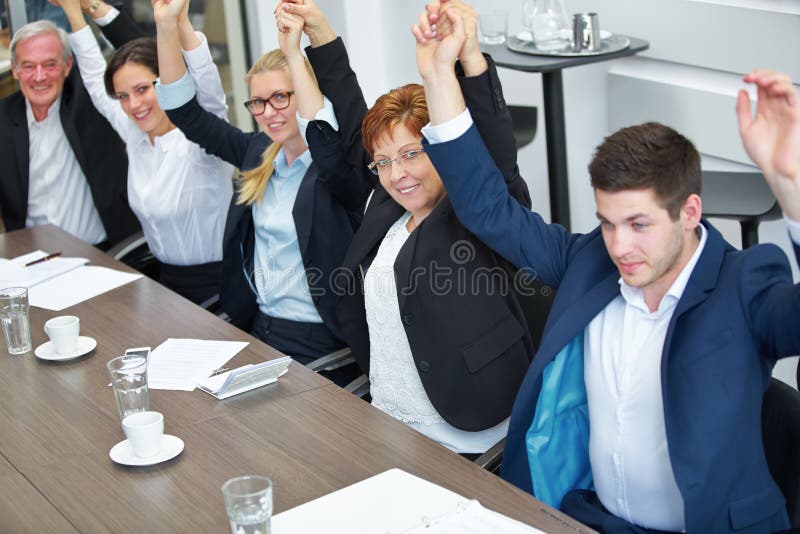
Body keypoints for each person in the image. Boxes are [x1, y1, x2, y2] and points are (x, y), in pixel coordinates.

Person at [415, 6, 800, 532]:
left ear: (689, 212)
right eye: (608, 222)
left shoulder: (744, 285)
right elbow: (488, 210)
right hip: (591, 518)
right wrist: (439, 73)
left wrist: (794, 190)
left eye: (639, 224)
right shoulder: (590, 259)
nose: (620, 245)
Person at [282, 0, 538, 455]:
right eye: (383, 161)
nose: (396, 173)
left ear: (442, 147)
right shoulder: (384, 205)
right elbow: (345, 120)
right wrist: (315, 37)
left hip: (468, 431)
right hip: (389, 423)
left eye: (411, 153)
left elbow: (494, 144)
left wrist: (469, 57)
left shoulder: (479, 209)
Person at [154, 3, 368, 377]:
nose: (269, 112)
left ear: (304, 90)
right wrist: (166, 26)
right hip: (259, 327)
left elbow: (345, 115)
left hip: (320, 342)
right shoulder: (257, 153)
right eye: (258, 103)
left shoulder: (338, 170)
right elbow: (185, 114)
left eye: (281, 97)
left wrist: (296, 51)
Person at [54, 0, 233, 304]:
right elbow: (97, 83)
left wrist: (180, 24)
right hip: (163, 285)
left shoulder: (202, 137)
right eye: (123, 96)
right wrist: (73, 10)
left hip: (218, 290)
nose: (133, 105)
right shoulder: (135, 133)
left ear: (167, 83)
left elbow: (208, 85)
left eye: (142, 89)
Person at [0, 4, 140, 247]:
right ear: (14, 70)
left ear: (67, 66)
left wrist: (91, 6)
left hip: (108, 255)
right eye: (29, 66)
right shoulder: (3, 119)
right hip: (34, 263)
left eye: (50, 64)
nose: (40, 76)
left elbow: (142, 55)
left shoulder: (90, 101)